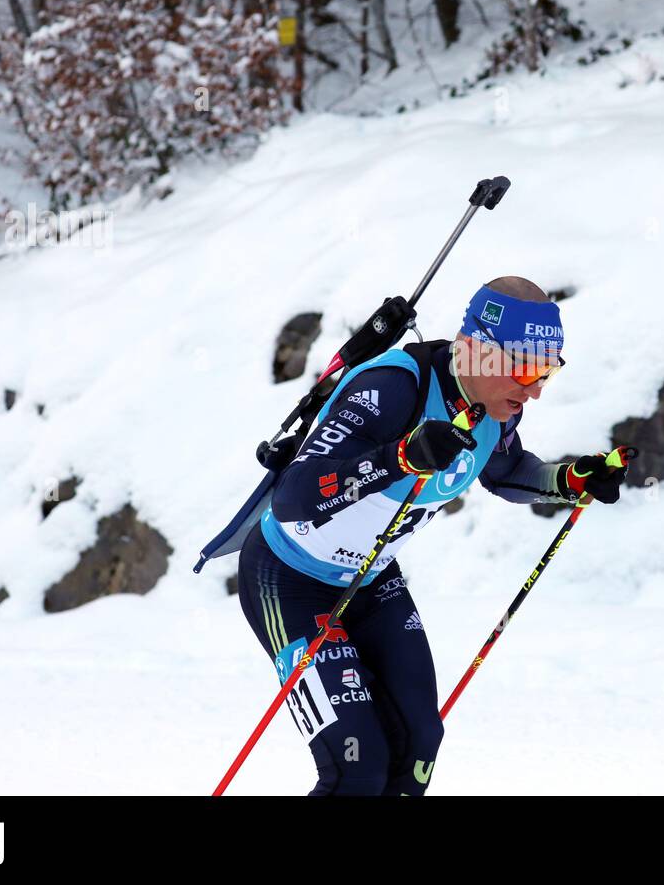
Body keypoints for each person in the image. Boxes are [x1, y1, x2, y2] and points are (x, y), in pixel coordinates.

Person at [236, 275, 628, 795]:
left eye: (548, 373)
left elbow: (504, 470)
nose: (535, 390)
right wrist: (399, 458)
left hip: (372, 583)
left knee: (417, 745)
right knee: (358, 766)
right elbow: (294, 497)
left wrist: (567, 480)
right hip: (287, 581)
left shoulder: (493, 407)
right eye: (528, 370)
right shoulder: (394, 388)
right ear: (481, 353)